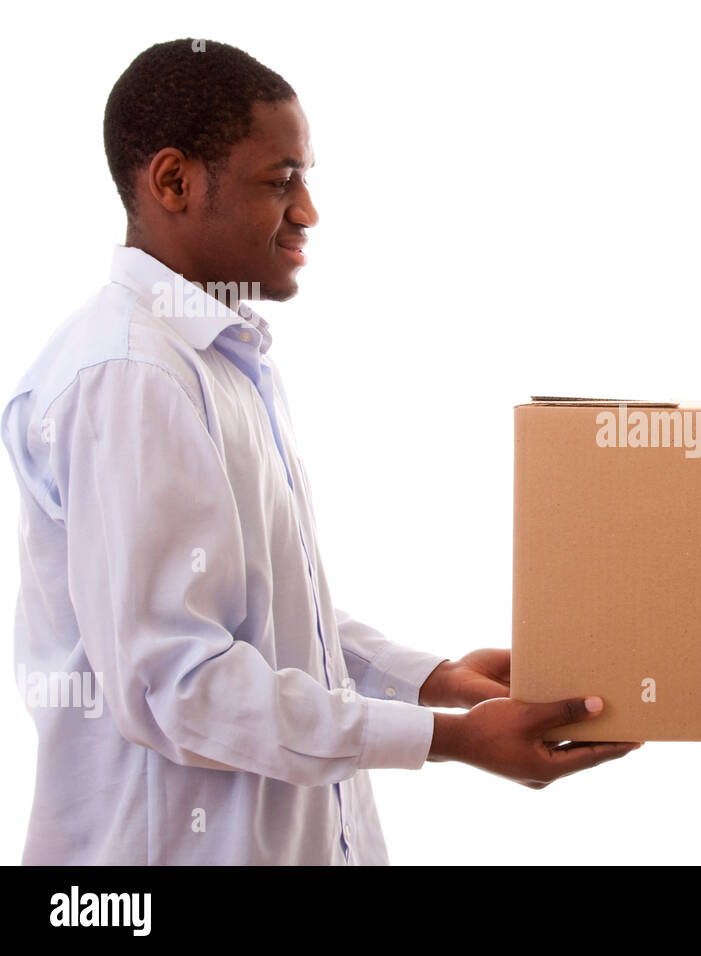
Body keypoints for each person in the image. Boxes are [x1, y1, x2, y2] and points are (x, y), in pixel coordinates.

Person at [0, 38, 636, 866]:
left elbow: (257, 611)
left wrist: (432, 680)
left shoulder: (219, 360)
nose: (308, 210)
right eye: (280, 180)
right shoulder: (130, 376)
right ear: (173, 182)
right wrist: (452, 739)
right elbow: (181, 688)